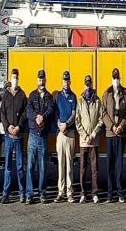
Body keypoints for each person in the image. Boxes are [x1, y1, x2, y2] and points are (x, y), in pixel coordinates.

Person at [102, 67, 126, 203]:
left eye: (117, 78)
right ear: (111, 79)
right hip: (110, 133)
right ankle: (109, 193)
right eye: (114, 78)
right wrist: (112, 126)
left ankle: (120, 192)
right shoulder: (106, 93)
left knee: (119, 163)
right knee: (110, 164)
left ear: (120, 78)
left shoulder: (125, 93)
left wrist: (121, 126)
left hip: (121, 133)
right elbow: (103, 112)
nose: (116, 80)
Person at [25, 69, 55, 204]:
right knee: (30, 166)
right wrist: (36, 117)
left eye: (43, 79)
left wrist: (43, 116)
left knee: (42, 166)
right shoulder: (32, 95)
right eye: (39, 79)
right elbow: (28, 110)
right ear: (37, 80)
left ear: (45, 80)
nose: (41, 82)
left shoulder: (49, 96)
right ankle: (29, 194)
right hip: (32, 135)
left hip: (43, 136)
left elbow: (51, 110)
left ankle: (42, 193)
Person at [0, 72, 27, 204]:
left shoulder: (22, 95)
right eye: (13, 77)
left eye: (17, 77)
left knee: (20, 166)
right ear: (10, 79)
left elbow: (25, 113)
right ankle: (6, 194)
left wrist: (18, 127)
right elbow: (2, 113)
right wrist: (8, 127)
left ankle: (22, 193)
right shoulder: (6, 95)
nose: (15, 79)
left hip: (19, 136)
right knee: (8, 166)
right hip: (8, 137)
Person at [75, 74, 102, 204]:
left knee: (94, 168)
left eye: (89, 83)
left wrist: (94, 134)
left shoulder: (97, 100)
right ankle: (83, 193)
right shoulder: (80, 101)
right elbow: (77, 120)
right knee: (82, 168)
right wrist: (85, 135)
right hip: (83, 140)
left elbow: (101, 119)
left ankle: (95, 193)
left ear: (92, 84)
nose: (88, 86)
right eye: (86, 83)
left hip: (94, 140)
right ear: (84, 84)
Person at [54, 71, 77, 203]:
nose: (66, 83)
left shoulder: (73, 97)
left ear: (70, 82)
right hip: (60, 134)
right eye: (64, 80)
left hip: (69, 134)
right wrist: (60, 125)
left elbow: (74, 114)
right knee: (60, 164)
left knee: (69, 165)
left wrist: (66, 125)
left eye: (68, 81)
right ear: (62, 82)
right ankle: (60, 192)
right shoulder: (58, 96)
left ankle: (70, 192)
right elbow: (56, 113)